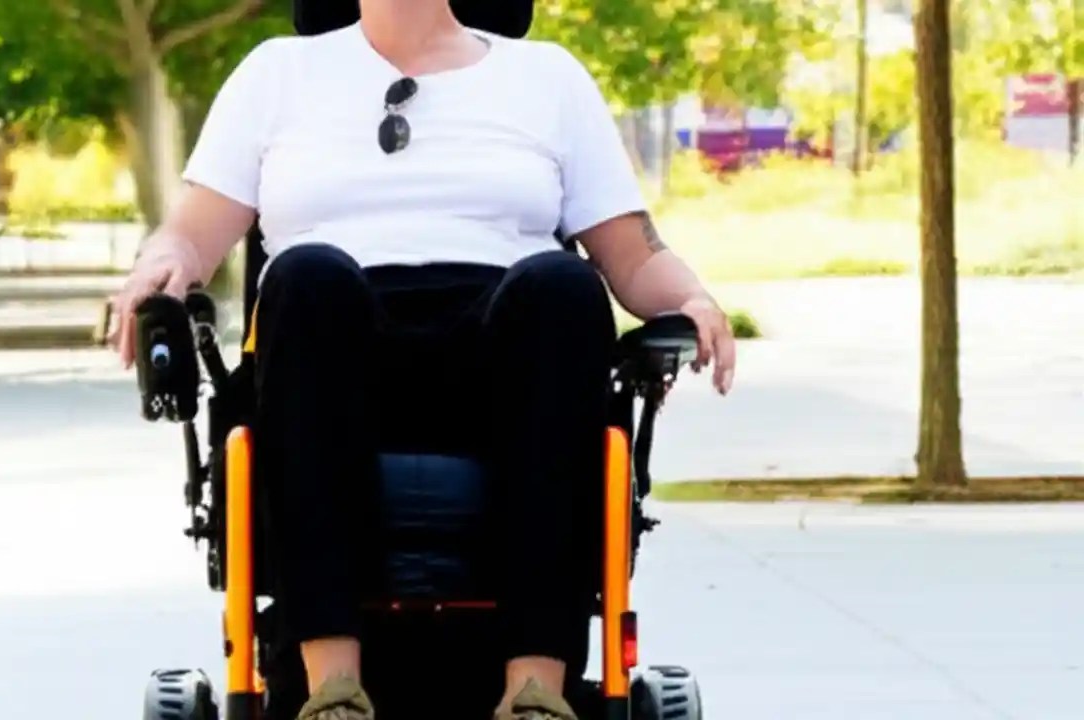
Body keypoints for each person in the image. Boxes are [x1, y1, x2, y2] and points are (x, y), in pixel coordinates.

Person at [111, 2, 736, 719]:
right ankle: (333, 692)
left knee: (563, 285)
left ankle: (535, 694)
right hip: (330, 353)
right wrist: (160, 263)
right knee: (306, 275)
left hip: (503, 360)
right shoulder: (276, 74)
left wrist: (690, 298)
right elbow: (190, 235)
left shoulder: (548, 78)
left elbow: (633, 255)